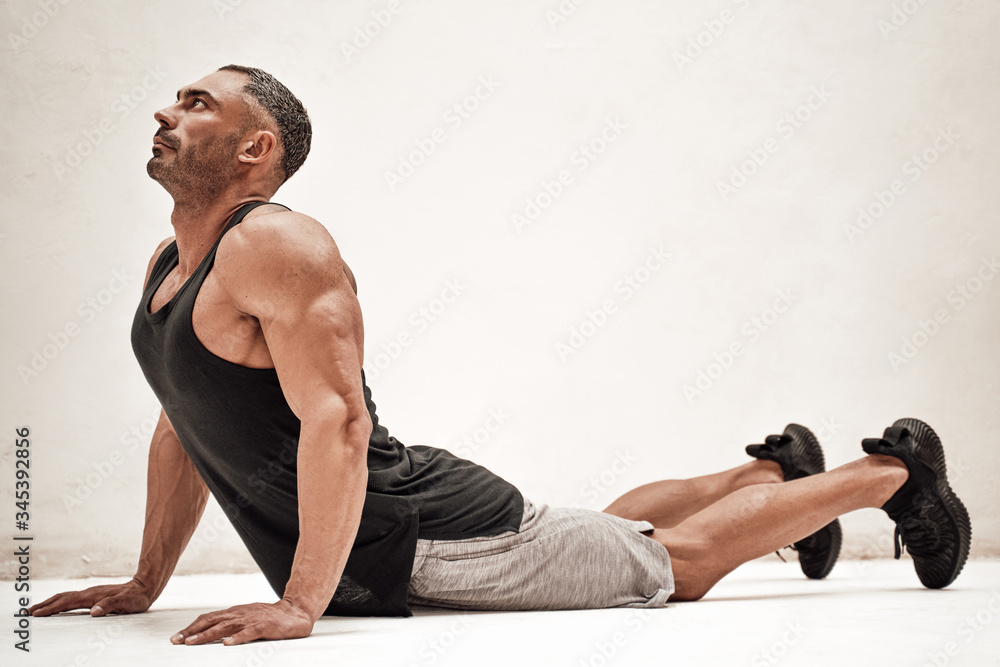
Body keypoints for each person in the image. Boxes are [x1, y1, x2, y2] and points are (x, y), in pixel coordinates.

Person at [29, 66, 972, 646]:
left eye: (196, 103)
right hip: (411, 528)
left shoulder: (276, 244)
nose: (166, 111)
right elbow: (183, 427)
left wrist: (302, 605)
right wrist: (145, 583)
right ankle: (772, 474)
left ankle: (890, 475)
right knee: (607, 534)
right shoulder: (171, 264)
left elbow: (339, 420)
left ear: (254, 148)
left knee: (670, 565)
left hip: (427, 532)